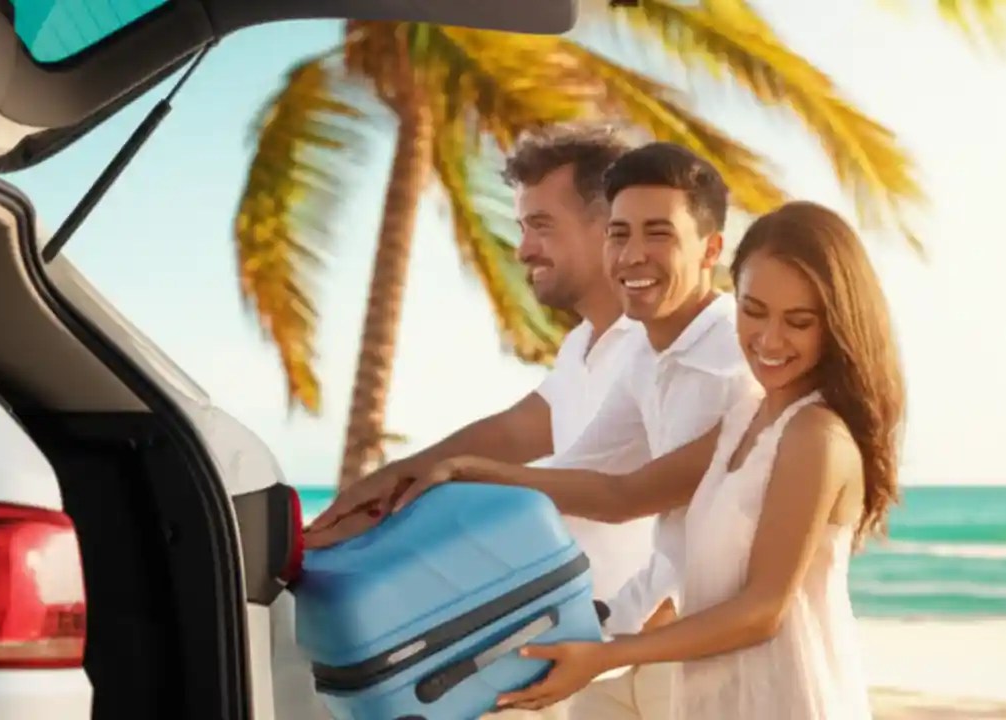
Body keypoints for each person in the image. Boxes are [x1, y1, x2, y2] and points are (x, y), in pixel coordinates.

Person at [397, 201, 906, 720]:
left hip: (787, 700)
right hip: (720, 700)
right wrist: (478, 472)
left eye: (799, 321)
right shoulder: (746, 421)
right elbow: (625, 495)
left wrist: (606, 656)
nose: (770, 340)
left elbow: (762, 611)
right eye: (753, 311)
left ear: (838, 322)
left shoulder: (814, 434)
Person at [304, 123, 657, 719]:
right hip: (584, 647)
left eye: (542, 226)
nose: (523, 249)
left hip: (650, 656)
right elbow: (513, 431)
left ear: (609, 226)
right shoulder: (584, 349)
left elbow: (596, 486)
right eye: (522, 227)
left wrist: (438, 486)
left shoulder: (654, 345)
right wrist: (391, 482)